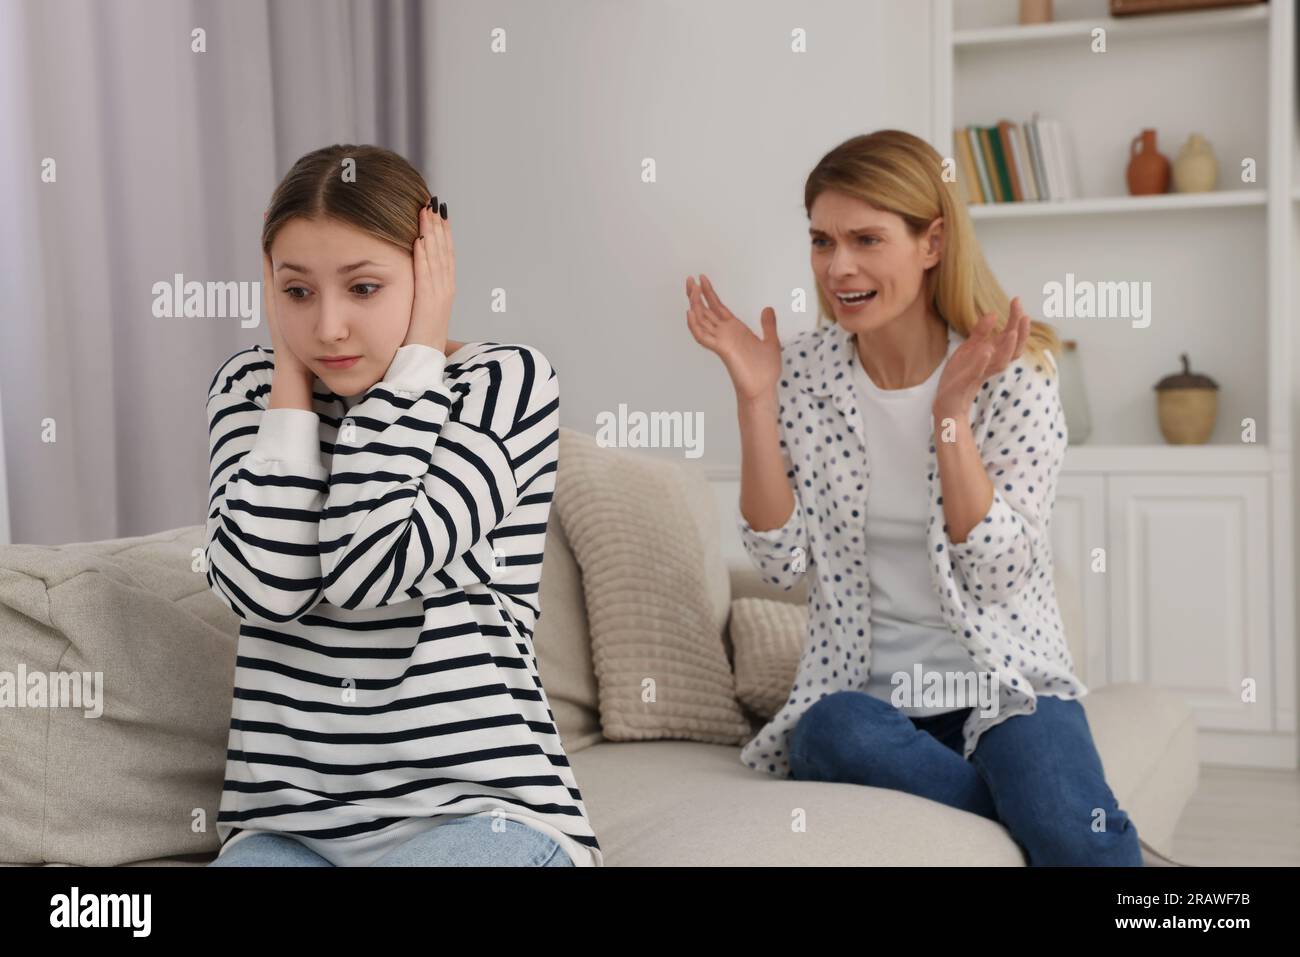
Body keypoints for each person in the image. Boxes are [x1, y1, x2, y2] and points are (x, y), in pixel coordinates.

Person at [685, 129, 1141, 866]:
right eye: (822, 241)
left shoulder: (1014, 372)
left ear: (931, 242)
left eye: (867, 239)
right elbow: (778, 561)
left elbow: (997, 573)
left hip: (1005, 686)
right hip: (870, 701)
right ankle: (1013, 814)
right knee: (829, 733)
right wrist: (756, 400)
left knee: (1069, 833)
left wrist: (950, 416)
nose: (839, 267)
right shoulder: (799, 374)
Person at [204, 143, 600, 867]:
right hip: (289, 825)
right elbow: (264, 587)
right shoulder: (246, 391)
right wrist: (288, 383)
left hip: (484, 812)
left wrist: (419, 356)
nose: (327, 327)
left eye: (362, 288)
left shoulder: (502, 384)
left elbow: (369, 567)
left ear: (427, 274)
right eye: (297, 291)